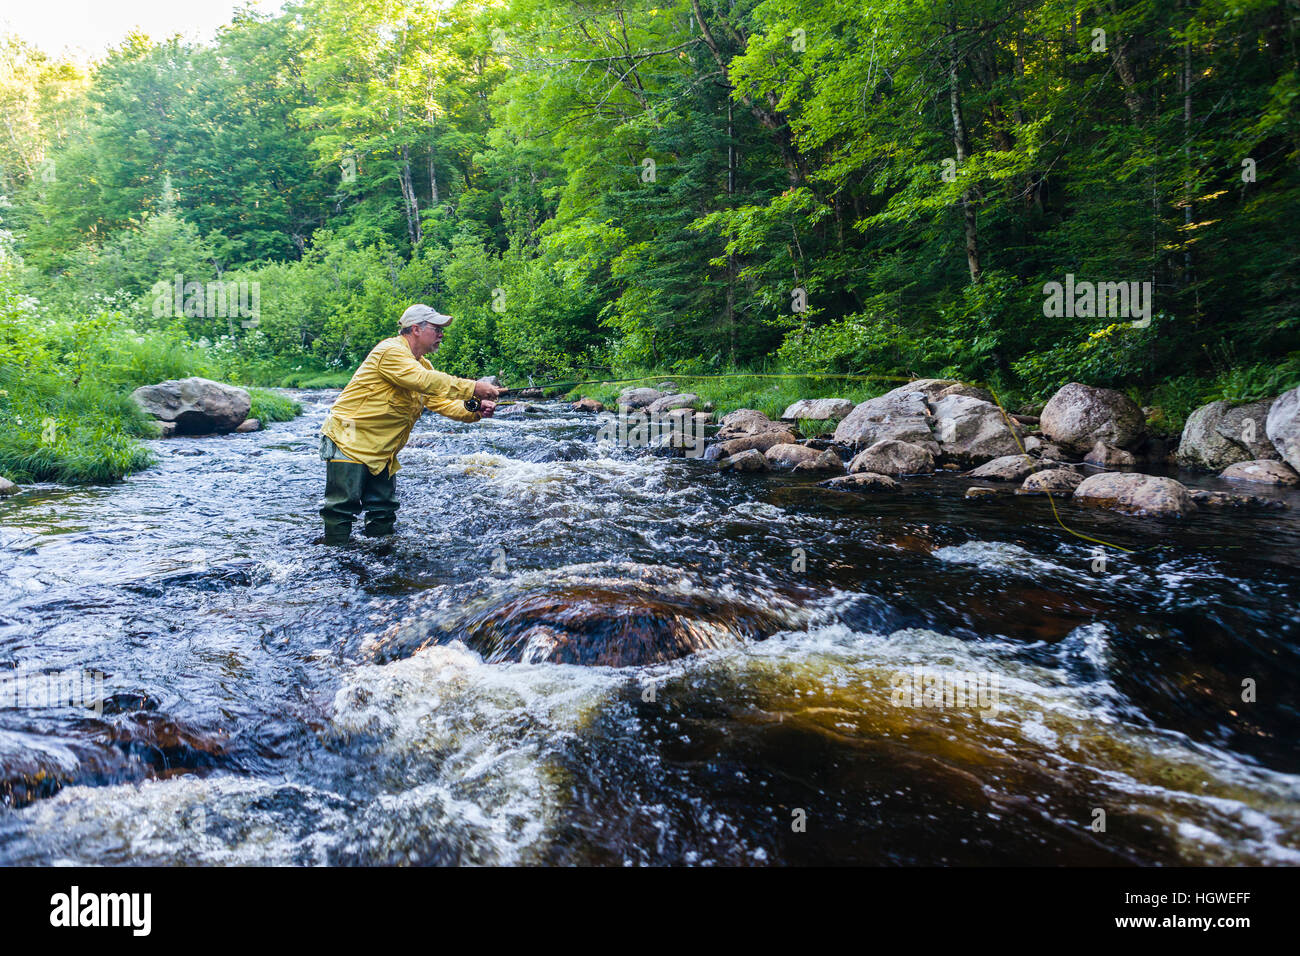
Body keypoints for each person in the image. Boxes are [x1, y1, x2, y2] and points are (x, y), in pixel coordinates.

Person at [318, 304, 501, 544]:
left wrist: (475, 409)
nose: (441, 334)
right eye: (436, 329)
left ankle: (380, 558)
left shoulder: (423, 365)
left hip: (382, 449)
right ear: (416, 329)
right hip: (349, 438)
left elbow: (441, 402)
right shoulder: (390, 352)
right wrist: (473, 387)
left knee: (383, 509)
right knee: (342, 508)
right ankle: (336, 559)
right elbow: (425, 381)